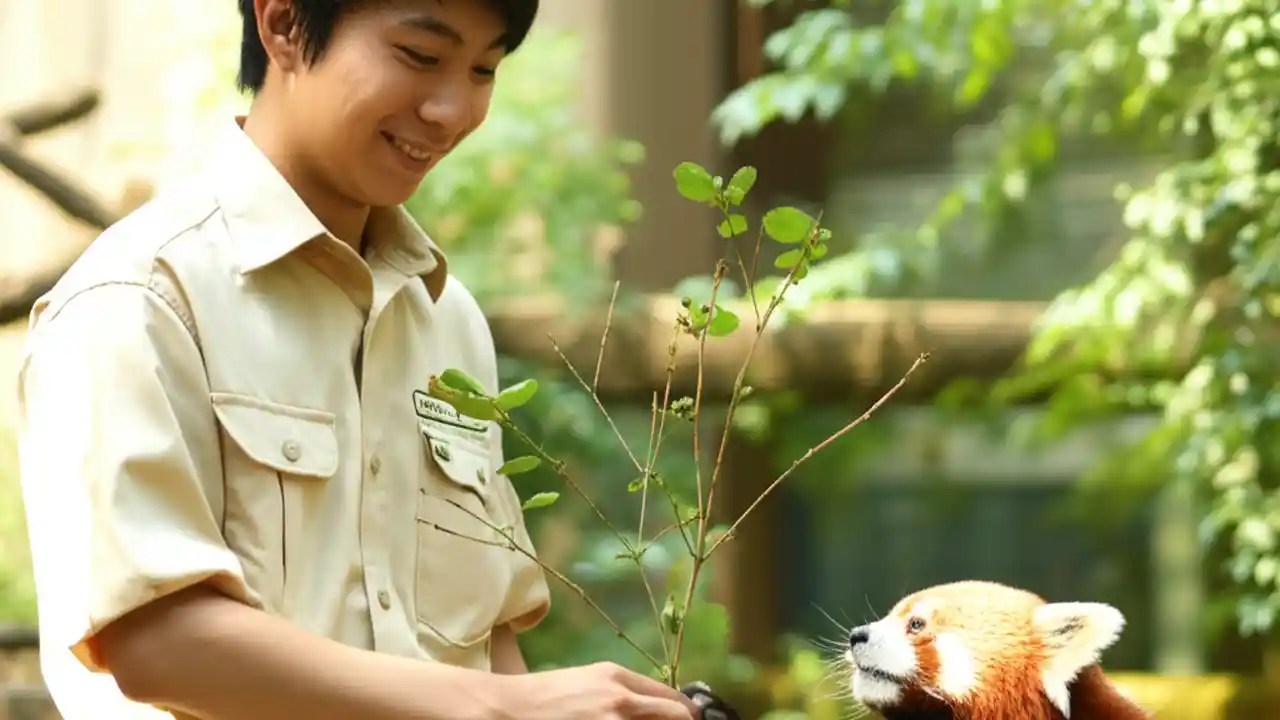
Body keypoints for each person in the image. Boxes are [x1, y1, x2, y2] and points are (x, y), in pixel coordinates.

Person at [14, 1, 721, 718]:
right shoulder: (137, 300)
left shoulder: (446, 318)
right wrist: (508, 708)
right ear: (284, 24)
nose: (451, 109)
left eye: (484, 69)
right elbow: (155, 644)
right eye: (419, 56)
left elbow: (486, 641)